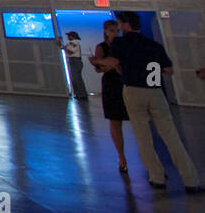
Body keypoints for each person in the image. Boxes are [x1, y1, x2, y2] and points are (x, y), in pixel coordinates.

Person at [93, 12, 199, 192]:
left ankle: (157, 177)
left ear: (126, 25)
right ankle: (190, 181)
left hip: (133, 91)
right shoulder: (154, 45)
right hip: (155, 91)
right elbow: (168, 70)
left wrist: (97, 60)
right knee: (171, 136)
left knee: (143, 138)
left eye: (119, 24)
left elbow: (111, 62)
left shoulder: (120, 43)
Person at [89, 19, 128, 172]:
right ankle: (121, 156)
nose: (115, 33)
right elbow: (99, 68)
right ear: (106, 31)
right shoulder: (102, 47)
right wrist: (111, 65)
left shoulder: (124, 45)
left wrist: (107, 64)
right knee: (115, 121)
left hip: (125, 83)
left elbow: (100, 63)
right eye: (112, 30)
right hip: (112, 85)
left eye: (116, 30)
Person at [59, 31, 88, 99]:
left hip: (75, 61)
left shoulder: (75, 43)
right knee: (75, 78)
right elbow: (62, 47)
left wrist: (65, 48)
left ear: (73, 36)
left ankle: (81, 94)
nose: (68, 37)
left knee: (76, 78)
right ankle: (78, 94)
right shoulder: (70, 43)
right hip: (73, 60)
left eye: (69, 36)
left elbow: (71, 51)